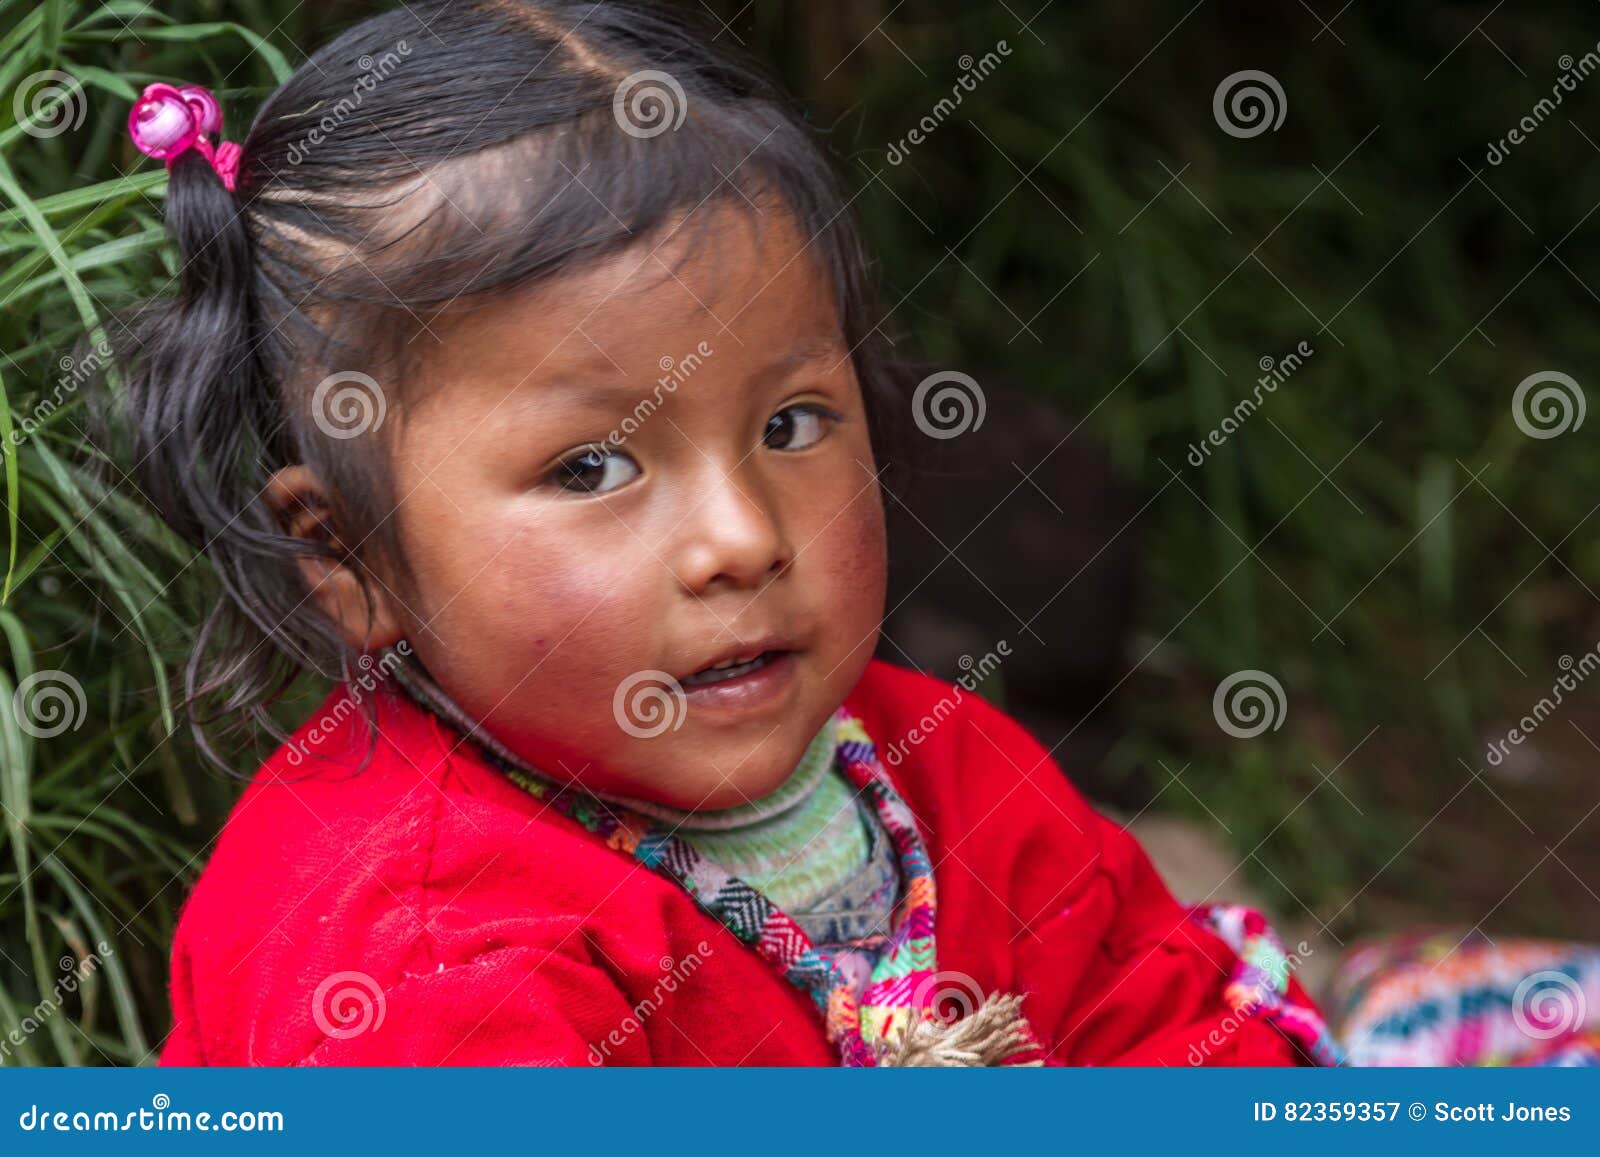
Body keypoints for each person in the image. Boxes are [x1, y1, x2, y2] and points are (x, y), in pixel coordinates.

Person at [98, 0, 1338, 1067]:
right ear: (347, 555)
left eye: (790, 423)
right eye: (592, 466)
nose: (742, 538)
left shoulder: (945, 765)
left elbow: (1168, 1024)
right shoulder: (416, 958)